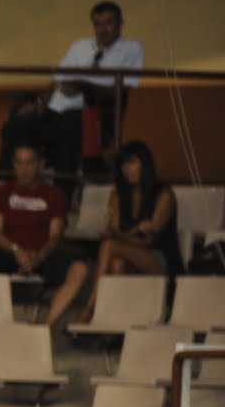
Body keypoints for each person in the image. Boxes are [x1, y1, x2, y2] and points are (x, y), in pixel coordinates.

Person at [0, 1, 143, 185]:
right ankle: (2, 185)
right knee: (18, 123)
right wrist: (39, 103)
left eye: (109, 23)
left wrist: (83, 85)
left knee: (70, 122)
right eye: (98, 24)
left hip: (92, 114)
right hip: (54, 111)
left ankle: (62, 191)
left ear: (120, 23)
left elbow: (122, 89)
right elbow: (58, 79)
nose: (103, 30)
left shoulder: (131, 48)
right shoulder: (80, 46)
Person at [65, 139, 183, 326]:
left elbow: (148, 239)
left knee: (110, 246)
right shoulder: (118, 194)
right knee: (117, 262)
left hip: (159, 258)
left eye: (132, 163)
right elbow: (116, 228)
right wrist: (131, 233)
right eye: (123, 165)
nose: (127, 170)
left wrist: (121, 237)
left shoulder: (164, 194)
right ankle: (115, 320)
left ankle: (90, 308)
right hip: (127, 253)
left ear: (145, 164)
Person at [0, 145, 90, 327]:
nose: (24, 169)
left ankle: (46, 328)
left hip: (43, 254)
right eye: (19, 163)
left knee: (80, 269)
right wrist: (16, 250)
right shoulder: (0, 193)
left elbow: (55, 236)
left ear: (40, 164)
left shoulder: (54, 195)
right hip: (9, 251)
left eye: (29, 163)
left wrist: (40, 256)